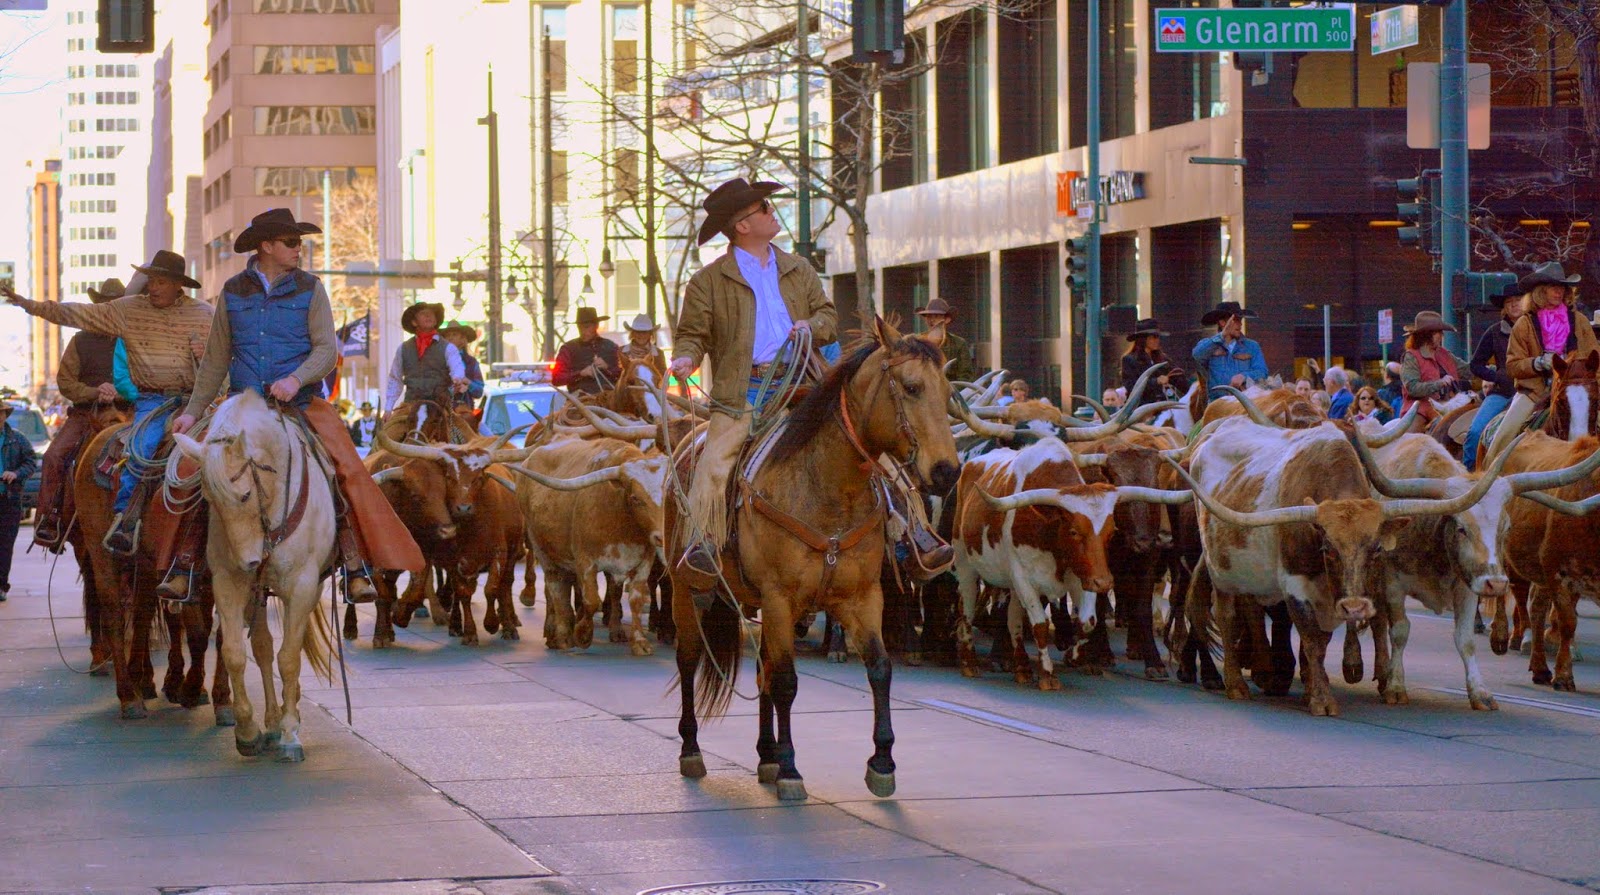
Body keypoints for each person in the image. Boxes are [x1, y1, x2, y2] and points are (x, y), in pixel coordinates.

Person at [175, 208, 424, 603]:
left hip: (300, 404)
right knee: (197, 469)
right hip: (241, 407)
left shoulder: (311, 288)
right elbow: (215, 360)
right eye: (292, 242)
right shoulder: (233, 290)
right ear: (267, 246)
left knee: (346, 469)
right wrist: (192, 411)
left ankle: (354, 563)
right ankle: (183, 561)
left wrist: (296, 379)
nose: (299, 249)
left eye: (299, 242)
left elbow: (327, 349)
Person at [667, 176, 839, 588]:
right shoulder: (707, 281)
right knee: (714, 462)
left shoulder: (799, 269)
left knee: (863, 443)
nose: (771, 210)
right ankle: (704, 542)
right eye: (763, 207)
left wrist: (811, 326)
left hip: (804, 383)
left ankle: (908, 530)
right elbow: (692, 333)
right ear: (742, 225)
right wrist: (686, 356)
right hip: (743, 391)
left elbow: (830, 318)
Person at [4, 251, 213, 554]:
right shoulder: (125, 313)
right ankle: (124, 519)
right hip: (150, 402)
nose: (153, 287)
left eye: (161, 282)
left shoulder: (205, 314)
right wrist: (30, 305)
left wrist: (203, 355)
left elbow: (222, 360)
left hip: (197, 402)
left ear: (178, 284)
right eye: (151, 281)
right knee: (138, 454)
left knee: (230, 457)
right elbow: (73, 313)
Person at [33, 277, 133, 551]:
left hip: (128, 410)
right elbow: (66, 383)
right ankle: (50, 519)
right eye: (105, 305)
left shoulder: (133, 339)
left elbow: (145, 377)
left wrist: (120, 392)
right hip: (85, 413)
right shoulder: (80, 341)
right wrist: (93, 391)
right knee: (55, 456)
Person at [1485, 262, 1596, 463]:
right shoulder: (1524, 324)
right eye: (1553, 286)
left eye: (1562, 287)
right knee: (1503, 438)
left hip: (1577, 390)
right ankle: (1489, 478)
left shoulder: (1579, 321)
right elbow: (1512, 366)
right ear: (1540, 291)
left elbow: (1595, 358)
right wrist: (1536, 363)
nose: (1559, 291)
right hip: (1534, 393)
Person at [1463, 292, 1525, 470]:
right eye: (1509, 302)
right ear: (1504, 308)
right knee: (1475, 432)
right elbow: (1475, 365)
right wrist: (1497, 376)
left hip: (1533, 392)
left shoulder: (1537, 329)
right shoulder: (1494, 332)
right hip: (1503, 393)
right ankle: (1470, 474)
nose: (1514, 305)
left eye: (1517, 300)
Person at [383, 300, 468, 412]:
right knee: (390, 429)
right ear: (414, 322)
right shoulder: (403, 349)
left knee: (463, 429)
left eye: (432, 314)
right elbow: (395, 378)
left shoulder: (448, 348)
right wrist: (388, 408)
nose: (429, 316)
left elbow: (457, 367)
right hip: (410, 407)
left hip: (441, 407)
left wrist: (457, 379)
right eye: (423, 313)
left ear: (436, 320)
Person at [1399, 310, 1470, 425]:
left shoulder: (1445, 354)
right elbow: (1412, 388)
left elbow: (1467, 370)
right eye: (1438, 332)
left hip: (1450, 406)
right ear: (1427, 334)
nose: (1442, 336)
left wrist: (1493, 369)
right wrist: (1439, 383)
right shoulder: (1411, 357)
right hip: (1420, 409)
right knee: (1411, 435)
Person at [0, 402, 39, 601]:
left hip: (9, 499)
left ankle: (1, 585)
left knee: (5, 545)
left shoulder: (17, 439)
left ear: (5, 415)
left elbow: (31, 462)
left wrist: (15, 473)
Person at [1192, 301, 1268, 398]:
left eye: (1240, 320)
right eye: (1235, 320)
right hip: (1218, 405)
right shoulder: (1208, 345)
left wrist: (1243, 376)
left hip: (1246, 404)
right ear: (1222, 323)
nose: (1240, 324)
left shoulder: (1252, 346)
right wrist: (1222, 336)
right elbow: (1197, 355)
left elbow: (1262, 372)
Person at [553, 307, 622, 397]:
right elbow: (557, 378)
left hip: (610, 399)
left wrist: (607, 367)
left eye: (586, 327)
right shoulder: (568, 348)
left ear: (596, 326)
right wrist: (581, 373)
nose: (582, 331)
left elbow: (625, 374)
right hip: (580, 400)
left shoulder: (612, 347)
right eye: (580, 327)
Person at [1120, 317, 1187, 409]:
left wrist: (1176, 378)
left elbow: (1178, 379)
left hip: (1164, 406)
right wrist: (1156, 381)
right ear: (1143, 339)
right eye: (1153, 337)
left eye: (1157, 337)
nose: (1157, 340)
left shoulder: (1163, 359)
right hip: (1141, 409)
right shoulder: (1129, 359)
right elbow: (1131, 386)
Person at [916, 298, 977, 382]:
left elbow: (966, 377)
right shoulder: (917, 342)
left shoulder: (959, 344)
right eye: (928, 316)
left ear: (947, 319)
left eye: (936, 316)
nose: (932, 320)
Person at [439, 320, 485, 413]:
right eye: (447, 336)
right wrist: (452, 390)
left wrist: (467, 382)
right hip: (442, 413)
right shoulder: (438, 362)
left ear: (463, 339)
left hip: (465, 413)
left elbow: (479, 392)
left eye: (454, 335)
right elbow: (432, 389)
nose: (450, 338)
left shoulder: (472, 363)